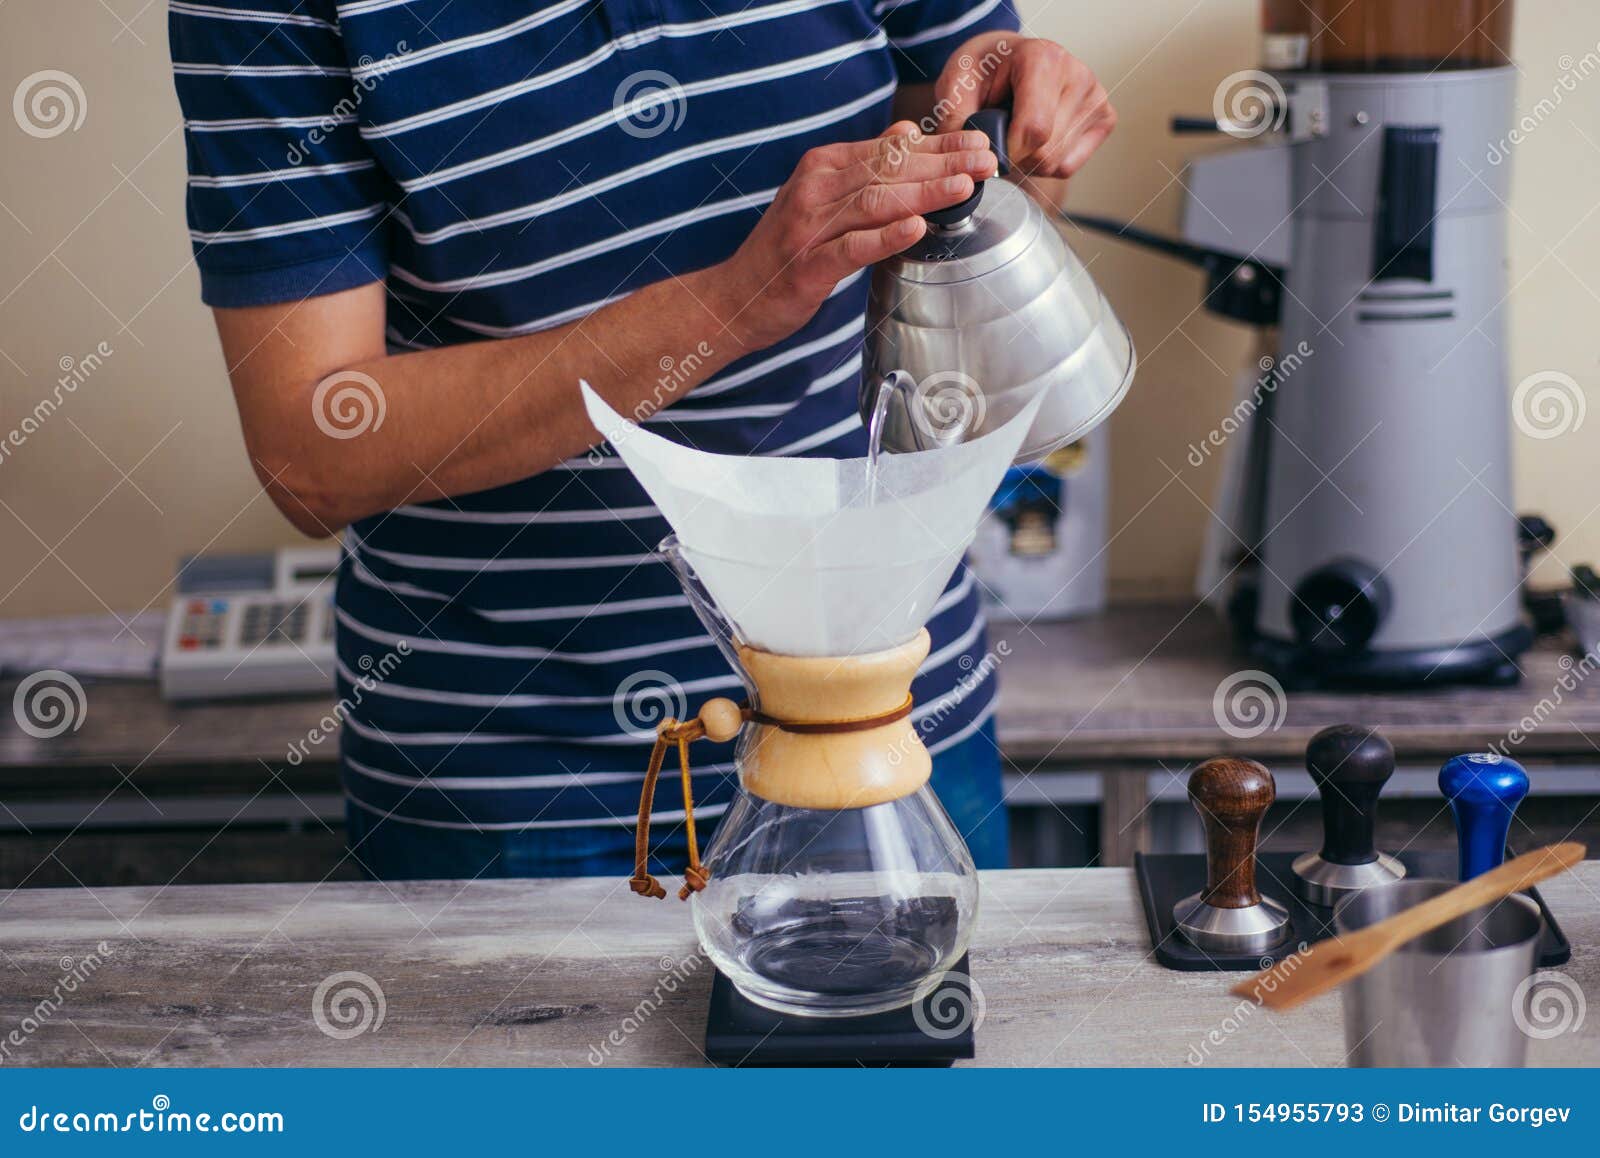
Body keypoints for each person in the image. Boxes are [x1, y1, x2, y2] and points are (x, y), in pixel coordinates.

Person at [169, 0, 1115, 880]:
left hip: (883, 708)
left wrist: (1018, 145)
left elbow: (962, 191)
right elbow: (312, 455)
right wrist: (729, 301)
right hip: (511, 768)